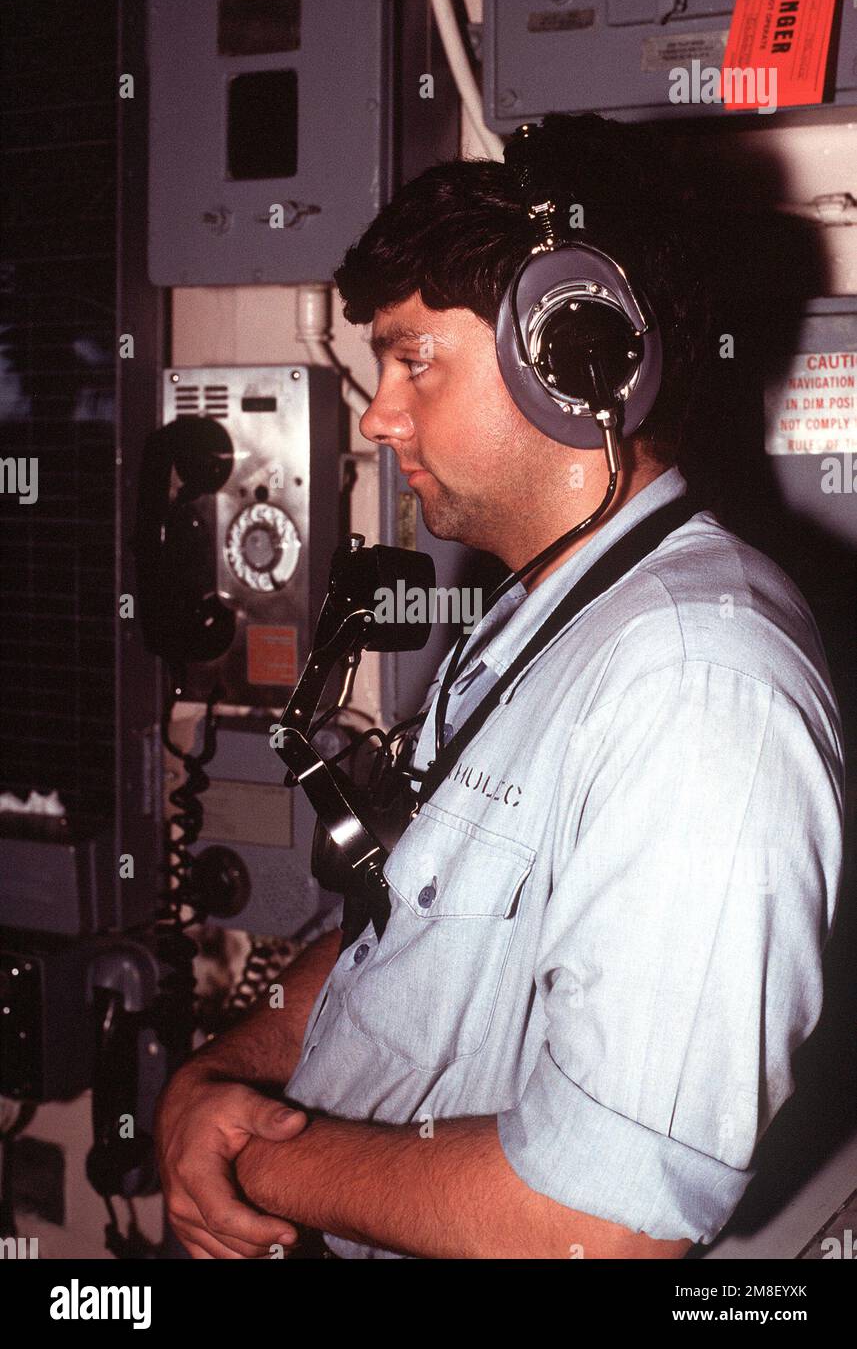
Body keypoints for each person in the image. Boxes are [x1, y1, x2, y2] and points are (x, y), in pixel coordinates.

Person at [155, 114, 844, 1260]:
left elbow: (597, 1222)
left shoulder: (697, 688)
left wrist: (248, 1153)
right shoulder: (540, 620)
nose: (377, 414)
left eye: (412, 356)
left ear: (571, 357)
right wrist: (224, 1069)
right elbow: (405, 915)